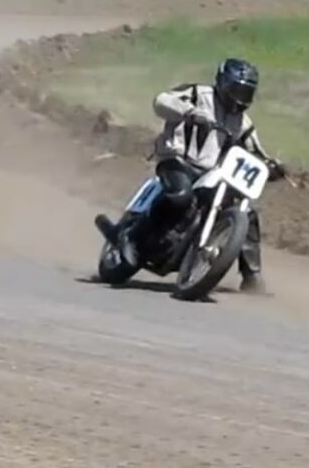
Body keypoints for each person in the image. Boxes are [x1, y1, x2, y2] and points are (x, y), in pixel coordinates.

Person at [96, 58, 286, 296]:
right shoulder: (197, 94)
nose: (240, 97)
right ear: (222, 84)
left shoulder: (244, 123)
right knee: (180, 196)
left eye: (246, 92)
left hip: (211, 175)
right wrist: (189, 113)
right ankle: (132, 238)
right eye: (236, 89)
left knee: (248, 214)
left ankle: (252, 277)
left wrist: (272, 167)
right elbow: (161, 102)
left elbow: (255, 151)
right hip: (177, 161)